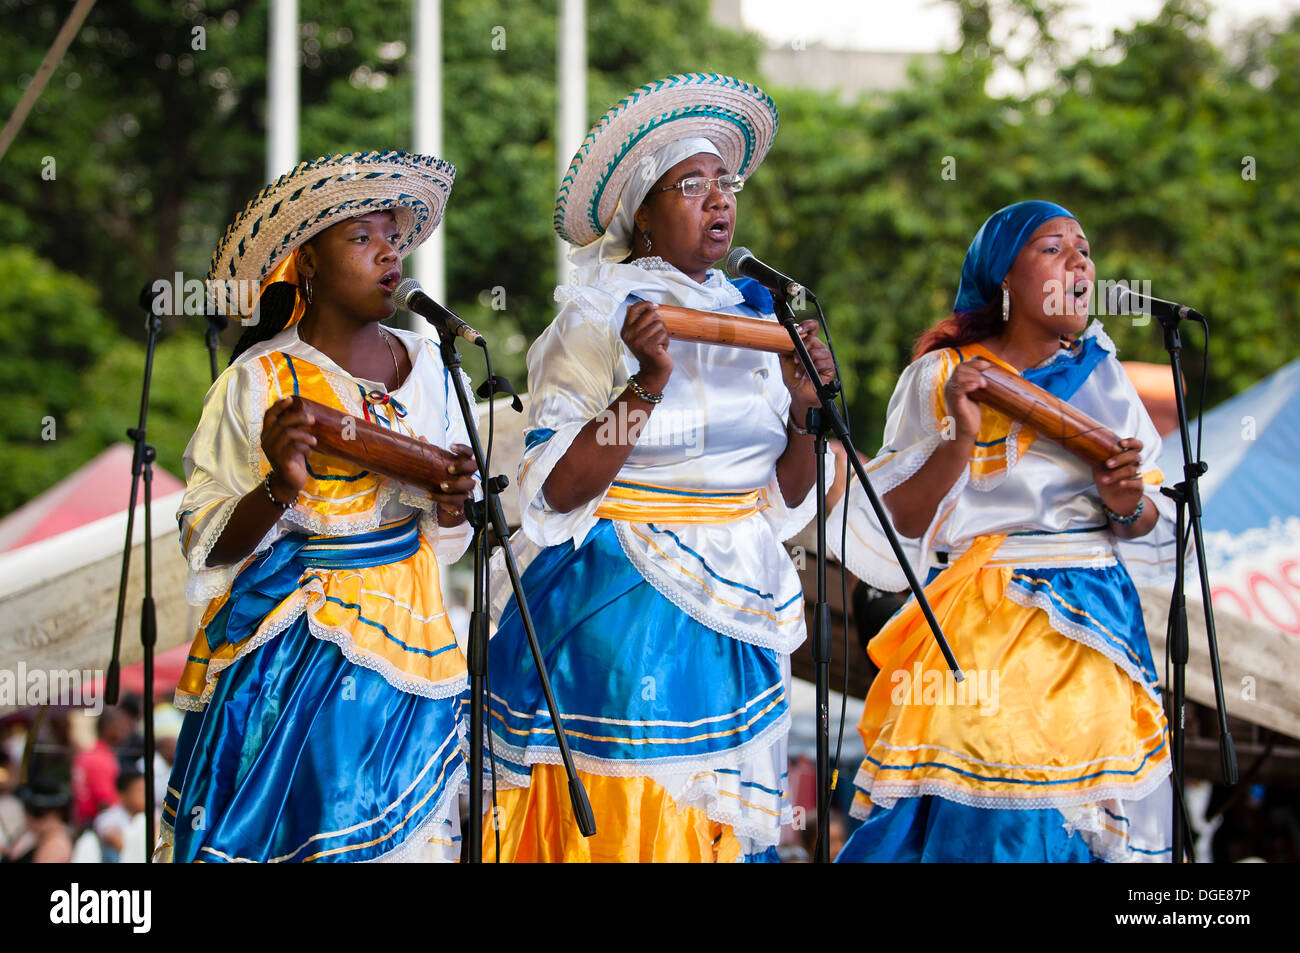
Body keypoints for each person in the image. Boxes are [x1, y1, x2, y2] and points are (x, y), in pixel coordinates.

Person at [485, 74, 835, 862]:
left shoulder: (758, 313)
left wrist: (809, 412)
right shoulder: (594, 313)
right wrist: (645, 384)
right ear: (642, 213)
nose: (719, 200)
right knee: (635, 828)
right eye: (692, 185)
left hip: (742, 611)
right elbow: (555, 489)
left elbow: (781, 497)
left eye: (726, 184)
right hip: (623, 608)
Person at [829, 200, 1177, 862]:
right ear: (1004, 280)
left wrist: (1126, 501)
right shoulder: (940, 375)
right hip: (983, 619)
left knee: (1083, 823)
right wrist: (961, 437)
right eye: (1052, 247)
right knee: (990, 819)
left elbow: (1150, 521)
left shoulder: (1104, 376)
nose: (1079, 259)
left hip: (1096, 624)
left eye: (1084, 247)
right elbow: (896, 521)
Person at [159, 151, 478, 863]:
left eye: (392, 236)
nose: (388, 251)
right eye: (361, 237)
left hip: (418, 642)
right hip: (297, 652)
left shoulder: (433, 367)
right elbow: (208, 544)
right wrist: (281, 482)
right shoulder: (256, 381)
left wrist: (455, 502)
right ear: (305, 262)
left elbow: (448, 542)